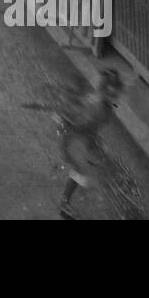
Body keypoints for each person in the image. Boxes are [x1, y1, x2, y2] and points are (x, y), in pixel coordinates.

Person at [58, 68, 124, 219]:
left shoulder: (101, 105)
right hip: (77, 140)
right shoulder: (100, 108)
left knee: (83, 171)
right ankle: (65, 203)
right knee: (83, 172)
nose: (116, 97)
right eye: (114, 93)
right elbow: (80, 124)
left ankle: (66, 201)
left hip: (80, 138)